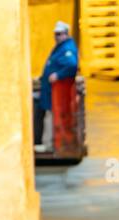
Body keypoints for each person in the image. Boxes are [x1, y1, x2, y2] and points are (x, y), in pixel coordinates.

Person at [34, 22, 79, 152]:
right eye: (55, 34)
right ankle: (48, 143)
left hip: (57, 92)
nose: (56, 37)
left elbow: (72, 65)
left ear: (66, 34)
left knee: (52, 117)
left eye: (59, 34)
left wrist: (58, 75)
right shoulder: (60, 47)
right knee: (48, 116)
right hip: (50, 90)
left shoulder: (67, 48)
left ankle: (51, 144)